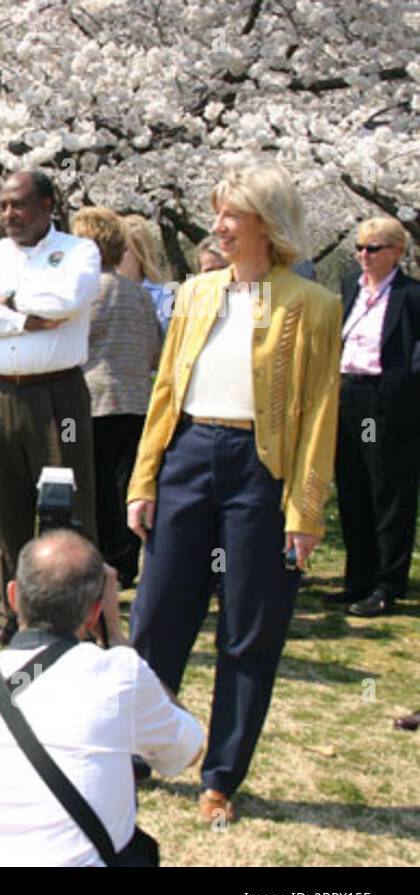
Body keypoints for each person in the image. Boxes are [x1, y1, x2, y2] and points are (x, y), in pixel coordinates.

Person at [127, 162, 342, 824]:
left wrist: (305, 511)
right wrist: (145, 479)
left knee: (249, 631)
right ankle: (134, 754)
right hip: (188, 455)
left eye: (231, 215)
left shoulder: (315, 305)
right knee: (157, 618)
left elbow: (320, 413)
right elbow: (165, 389)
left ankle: (221, 775)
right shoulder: (194, 293)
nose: (218, 225)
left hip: (262, 468)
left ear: (266, 224)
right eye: (217, 212)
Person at [0, 530, 204, 866]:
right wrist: (117, 638)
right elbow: (188, 751)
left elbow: (27, 682)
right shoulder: (121, 675)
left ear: (13, 596)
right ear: (95, 612)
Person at [0, 169, 102, 648]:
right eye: (2, 206)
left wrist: (5, 305)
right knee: (4, 506)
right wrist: (25, 317)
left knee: (67, 504)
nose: (8, 215)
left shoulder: (78, 251)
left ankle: (75, 615)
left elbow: (68, 300)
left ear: (47, 205)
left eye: (18, 205)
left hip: (57, 395)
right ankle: (11, 611)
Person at [329, 217, 420, 617]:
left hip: (383, 399)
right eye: (360, 248)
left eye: (374, 248)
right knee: (352, 486)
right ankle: (358, 578)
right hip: (348, 393)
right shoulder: (351, 285)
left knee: (387, 489)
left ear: (396, 252)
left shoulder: (410, 295)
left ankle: (387, 583)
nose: (364, 255)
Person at [71, 207, 162, 589]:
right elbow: (157, 348)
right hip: (135, 400)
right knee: (124, 484)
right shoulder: (137, 295)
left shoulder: (84, 293)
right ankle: (124, 564)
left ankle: (92, 559)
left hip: (90, 398)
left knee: (90, 486)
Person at [117, 214, 174, 332]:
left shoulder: (163, 295)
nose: (115, 256)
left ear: (140, 252)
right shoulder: (99, 295)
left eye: (123, 249)